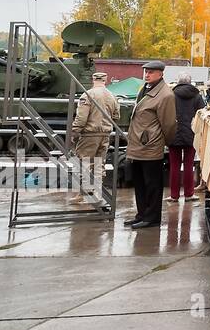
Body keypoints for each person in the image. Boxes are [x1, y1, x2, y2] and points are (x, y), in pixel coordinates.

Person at [125, 61, 176, 228]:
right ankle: (142, 214)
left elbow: (168, 124)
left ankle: (152, 217)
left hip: (150, 147)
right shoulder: (145, 90)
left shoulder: (165, 95)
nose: (147, 75)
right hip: (138, 146)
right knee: (139, 184)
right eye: (146, 72)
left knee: (152, 185)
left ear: (161, 74)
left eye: (151, 72)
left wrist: (166, 144)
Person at [68, 71, 120, 205]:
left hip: (89, 135)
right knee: (98, 164)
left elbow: (81, 117)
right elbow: (116, 117)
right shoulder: (112, 96)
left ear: (93, 80)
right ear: (105, 80)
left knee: (84, 164)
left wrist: (74, 132)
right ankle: (97, 195)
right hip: (105, 134)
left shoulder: (88, 95)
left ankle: (84, 194)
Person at [168, 75, 202, 202]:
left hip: (174, 134)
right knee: (189, 165)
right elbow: (202, 113)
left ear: (178, 82)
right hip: (191, 134)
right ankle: (189, 194)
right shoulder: (197, 96)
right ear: (190, 82)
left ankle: (174, 195)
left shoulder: (171, 95)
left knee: (174, 166)